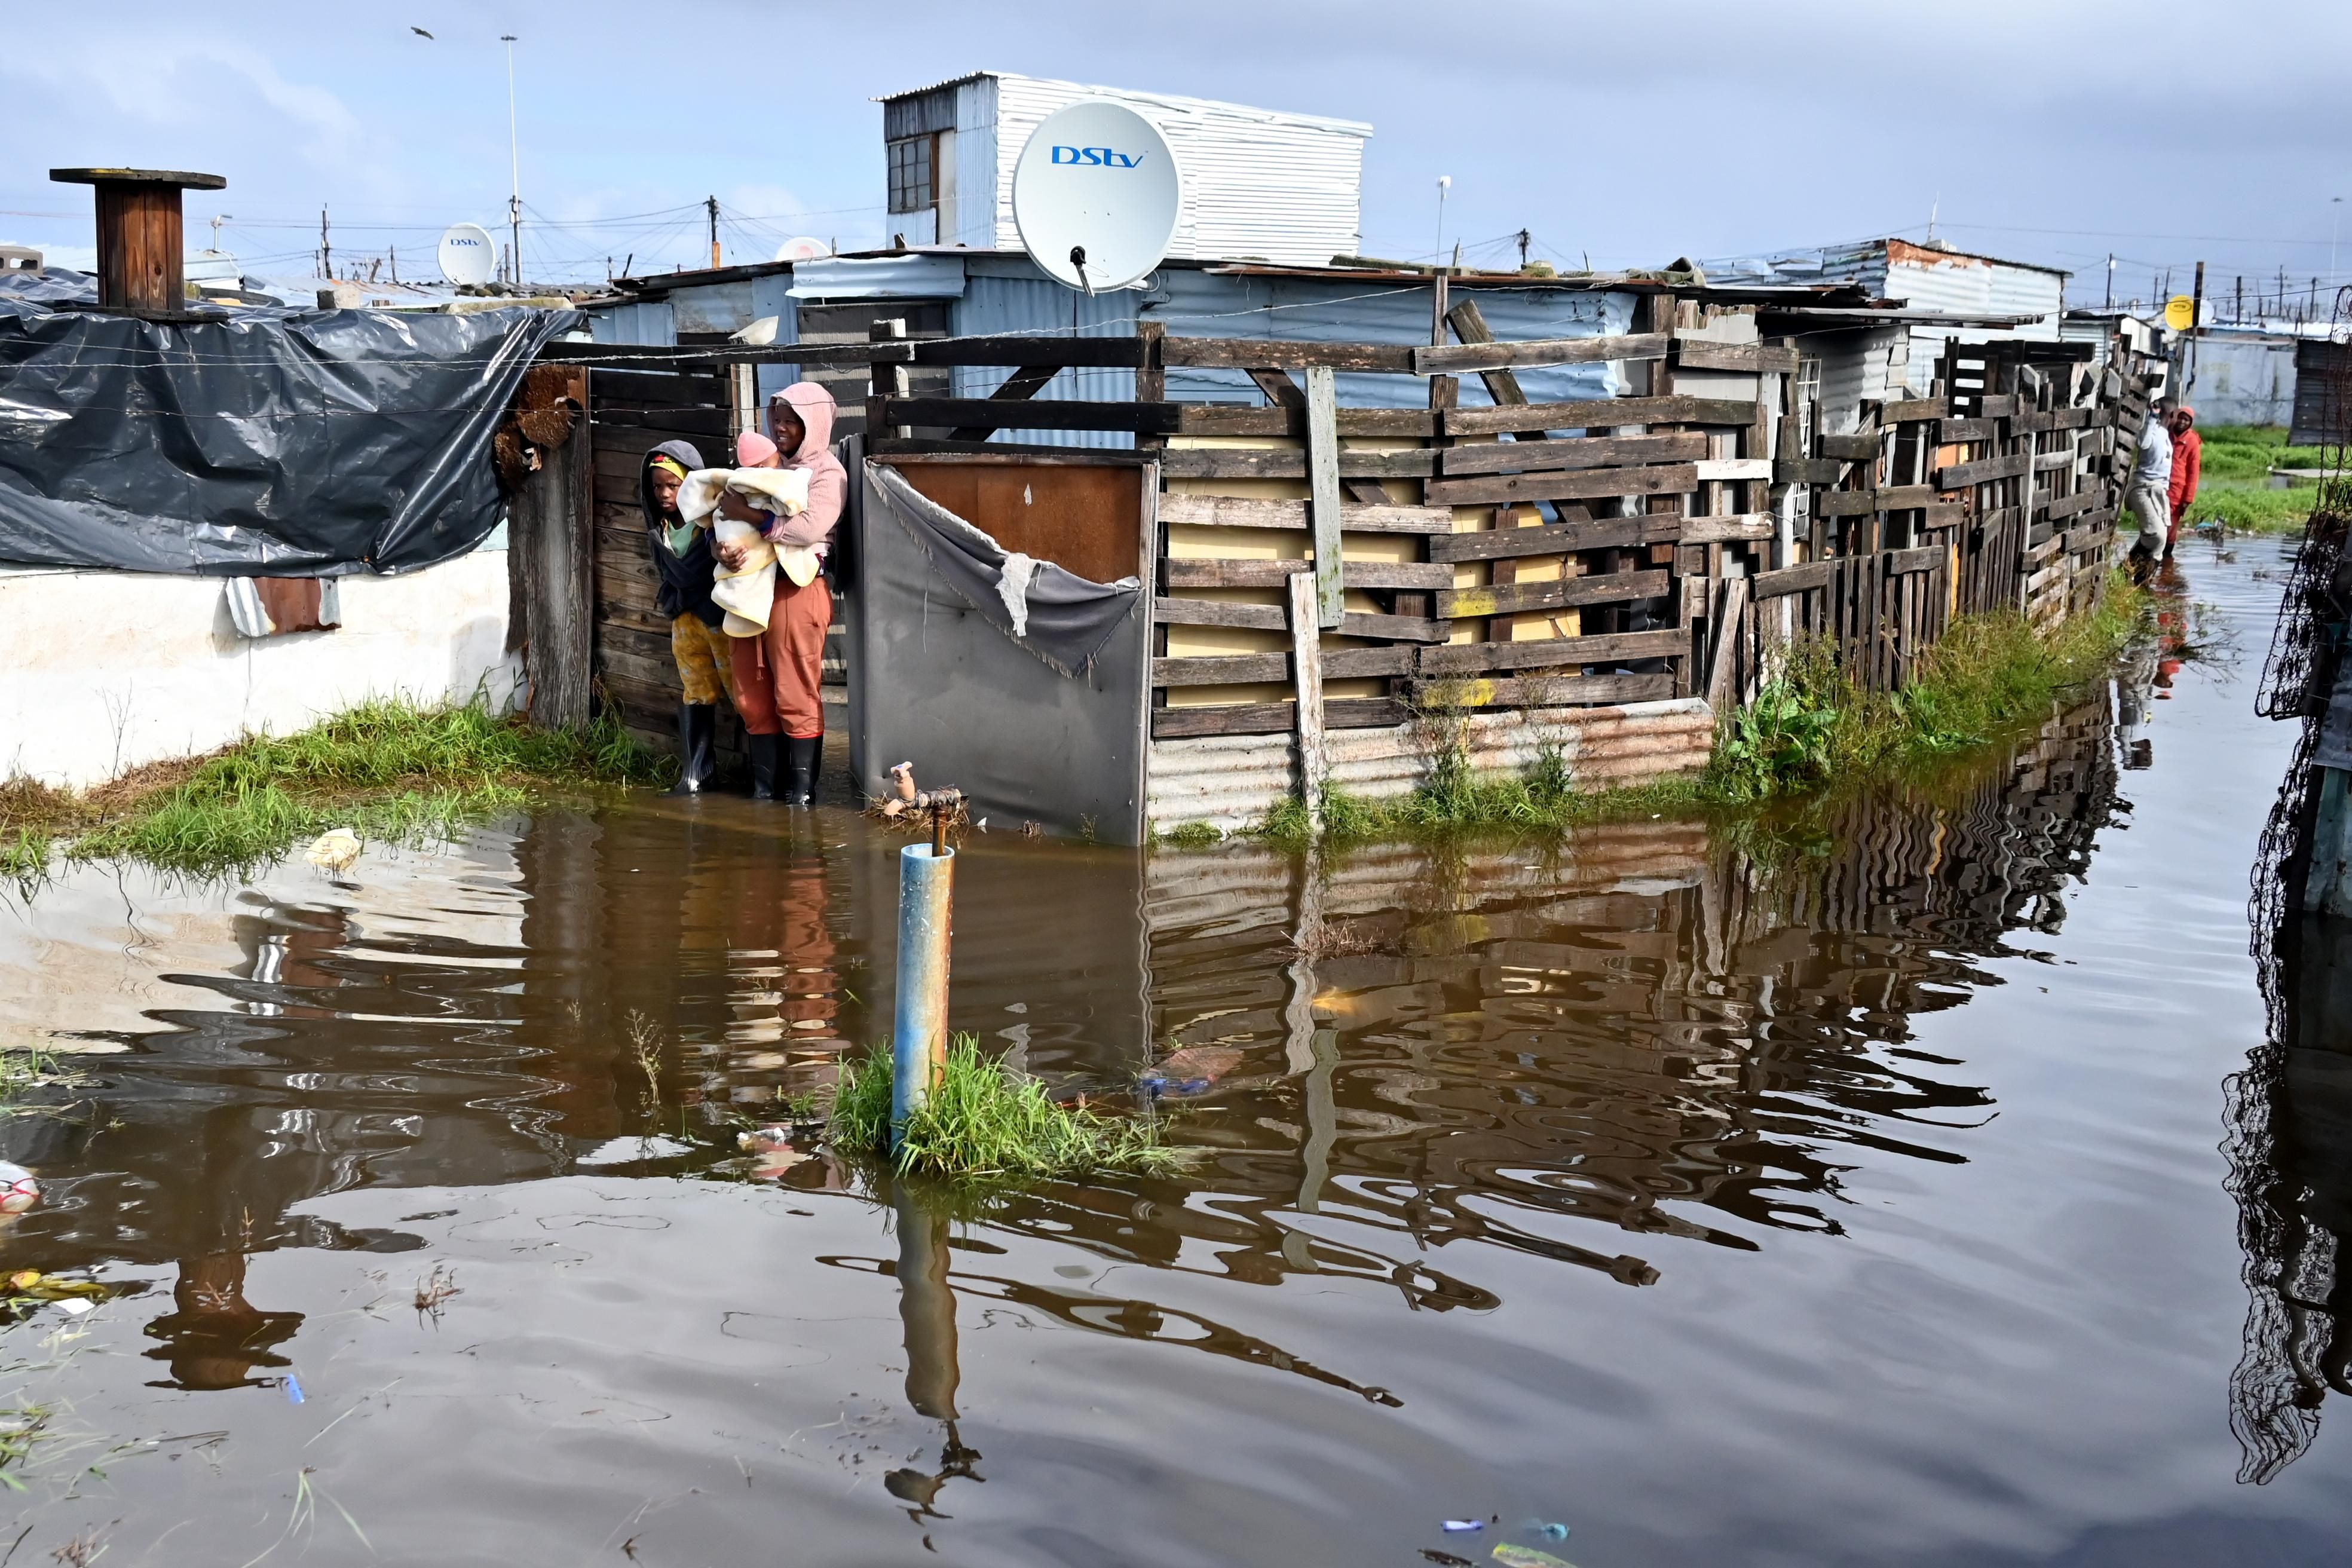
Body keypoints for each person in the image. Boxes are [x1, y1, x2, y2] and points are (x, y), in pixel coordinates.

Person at [717, 383, 844, 804]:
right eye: (778, 419)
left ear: (815, 425)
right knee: (751, 694)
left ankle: (802, 796)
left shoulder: (827, 473)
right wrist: (723, 549)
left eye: (793, 421)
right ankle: (764, 792)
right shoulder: (765, 467)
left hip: (797, 590)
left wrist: (749, 516)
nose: (782, 428)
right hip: (748, 589)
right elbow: (720, 515)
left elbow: (808, 528)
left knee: (794, 691)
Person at [639, 440, 734, 794]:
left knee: (740, 690)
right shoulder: (659, 530)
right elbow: (667, 572)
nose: (664, 494)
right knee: (695, 691)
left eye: (673, 485)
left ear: (691, 483)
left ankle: (767, 777)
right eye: (657, 486)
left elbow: (704, 569)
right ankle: (697, 774)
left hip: (717, 617)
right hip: (683, 620)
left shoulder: (709, 525)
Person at [2125, 402, 2173, 565]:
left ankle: (2141, 581)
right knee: (2156, 535)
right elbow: (2143, 443)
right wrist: (2152, 417)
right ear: (2171, 416)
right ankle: (2128, 570)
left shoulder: (2167, 436)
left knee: (2161, 539)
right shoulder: (2153, 430)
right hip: (2142, 488)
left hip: (2159, 491)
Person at [2165, 403, 2201, 557]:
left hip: (2178, 491)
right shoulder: (2167, 434)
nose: (2182, 422)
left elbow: (2194, 473)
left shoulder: (2192, 442)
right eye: (2181, 418)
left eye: (2187, 420)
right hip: (2162, 485)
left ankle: (2167, 559)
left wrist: (2188, 499)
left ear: (2190, 423)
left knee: (2172, 526)